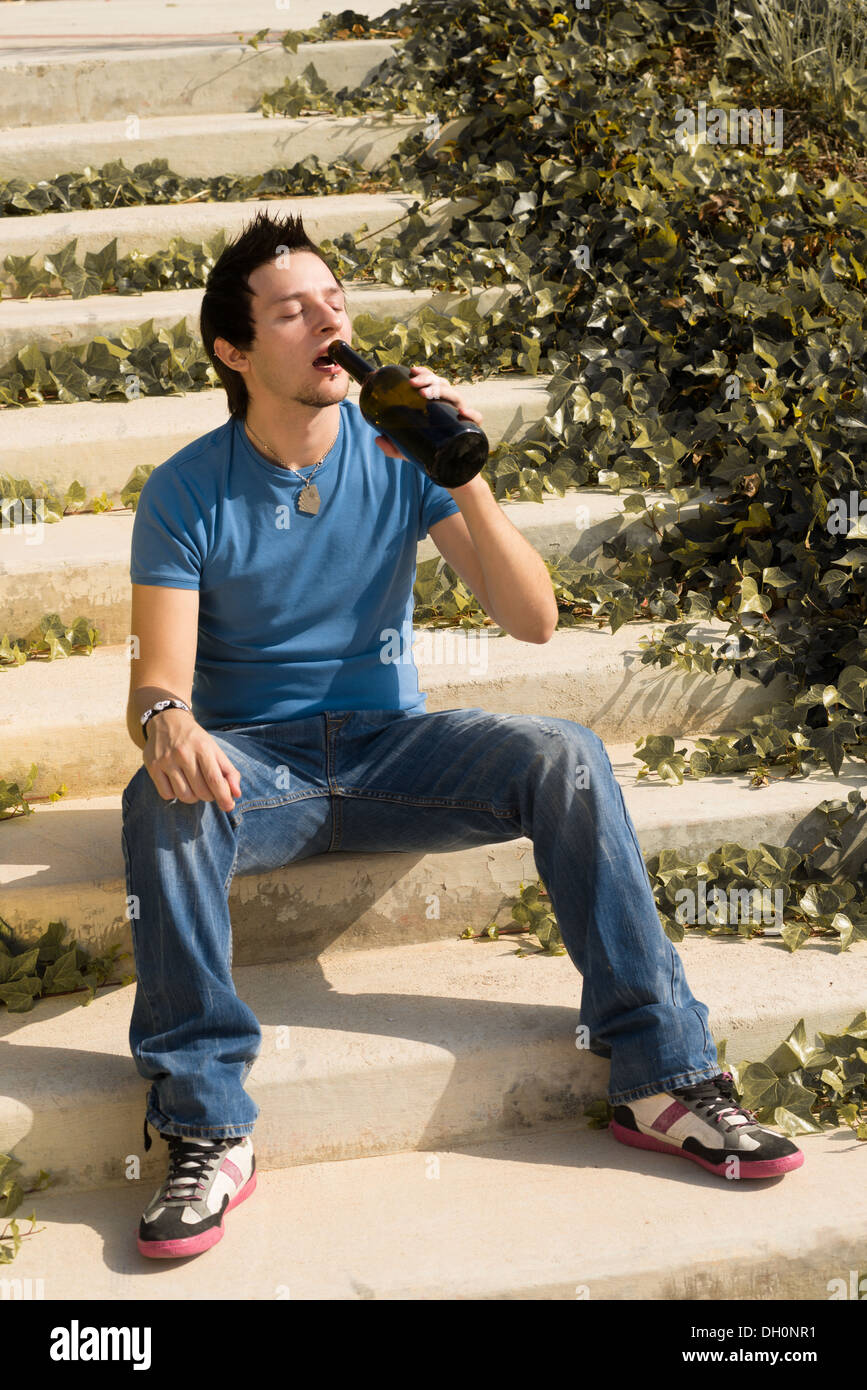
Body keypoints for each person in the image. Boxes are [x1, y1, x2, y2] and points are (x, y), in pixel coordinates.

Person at [121, 210, 803, 1261]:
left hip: (397, 756)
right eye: (294, 311)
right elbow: (157, 683)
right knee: (156, 797)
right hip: (259, 768)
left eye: (336, 304)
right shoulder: (186, 490)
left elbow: (532, 620)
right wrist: (168, 724)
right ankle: (206, 1126)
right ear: (235, 348)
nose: (328, 324)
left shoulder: (398, 454)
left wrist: (462, 469)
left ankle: (663, 1078)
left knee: (565, 754)